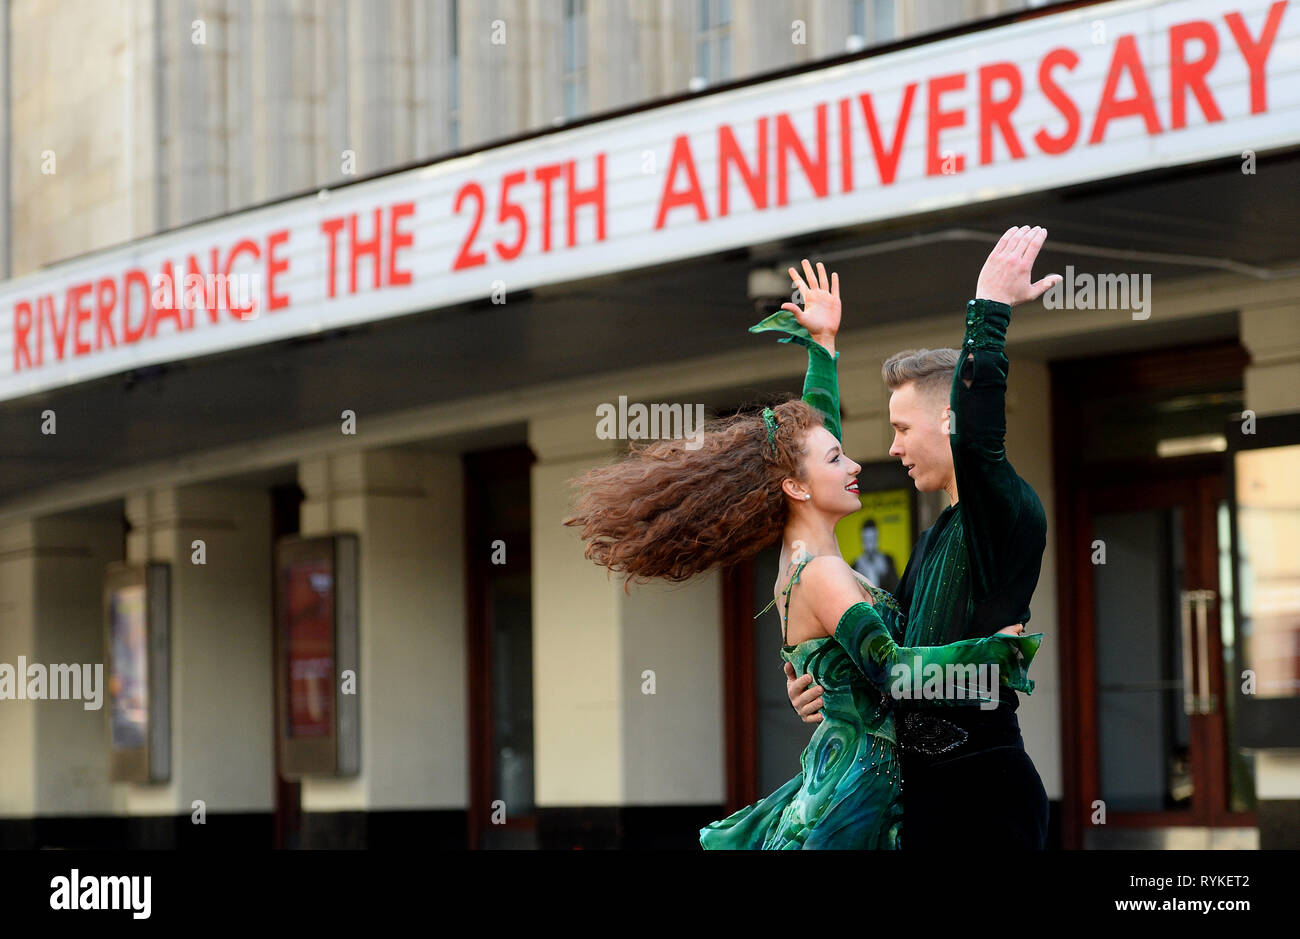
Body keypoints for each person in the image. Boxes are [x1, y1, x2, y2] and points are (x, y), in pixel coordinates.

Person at [566, 259, 1040, 849]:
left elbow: (820, 447)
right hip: (887, 793)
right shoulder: (822, 567)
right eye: (843, 459)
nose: (873, 457)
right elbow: (890, 669)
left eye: (900, 430)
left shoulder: (820, 552)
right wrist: (994, 657)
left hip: (941, 789)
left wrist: (827, 348)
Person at [786, 226, 1060, 849]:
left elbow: (980, 439)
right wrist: (826, 684)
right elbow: (810, 472)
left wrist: (988, 310)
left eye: (902, 428)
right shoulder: (937, 535)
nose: (891, 448)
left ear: (949, 420)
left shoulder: (1003, 512)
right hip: (921, 798)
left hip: (985, 798)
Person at [852, 519, 899, 592]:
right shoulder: (855, 564)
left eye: (872, 539)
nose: (869, 545)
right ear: (862, 540)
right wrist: (859, 575)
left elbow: (897, 589)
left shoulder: (887, 560)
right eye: (866, 540)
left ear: (877, 538)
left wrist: (885, 574)